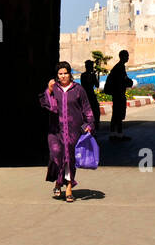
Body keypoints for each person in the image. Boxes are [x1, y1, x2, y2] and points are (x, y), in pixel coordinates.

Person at [40, 61, 95, 203]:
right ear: (57, 75)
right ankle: (58, 182)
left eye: (65, 73)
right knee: (56, 153)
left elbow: (86, 108)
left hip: (73, 130)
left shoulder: (78, 90)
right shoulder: (54, 88)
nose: (63, 76)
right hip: (55, 130)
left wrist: (89, 124)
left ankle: (69, 187)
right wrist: (49, 90)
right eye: (60, 74)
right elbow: (48, 105)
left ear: (70, 74)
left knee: (70, 158)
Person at [104, 50, 134, 141]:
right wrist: (129, 82)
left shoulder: (119, 67)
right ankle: (117, 135)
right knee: (118, 114)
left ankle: (116, 134)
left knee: (117, 114)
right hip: (118, 94)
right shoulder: (119, 67)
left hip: (117, 93)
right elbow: (121, 81)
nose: (128, 58)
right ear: (123, 57)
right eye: (127, 56)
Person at [79, 59, 101, 132]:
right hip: (86, 96)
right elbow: (84, 85)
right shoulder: (83, 75)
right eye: (90, 66)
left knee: (96, 111)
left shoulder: (93, 75)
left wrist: (95, 76)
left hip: (92, 95)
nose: (92, 67)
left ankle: (95, 125)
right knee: (87, 112)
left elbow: (97, 85)